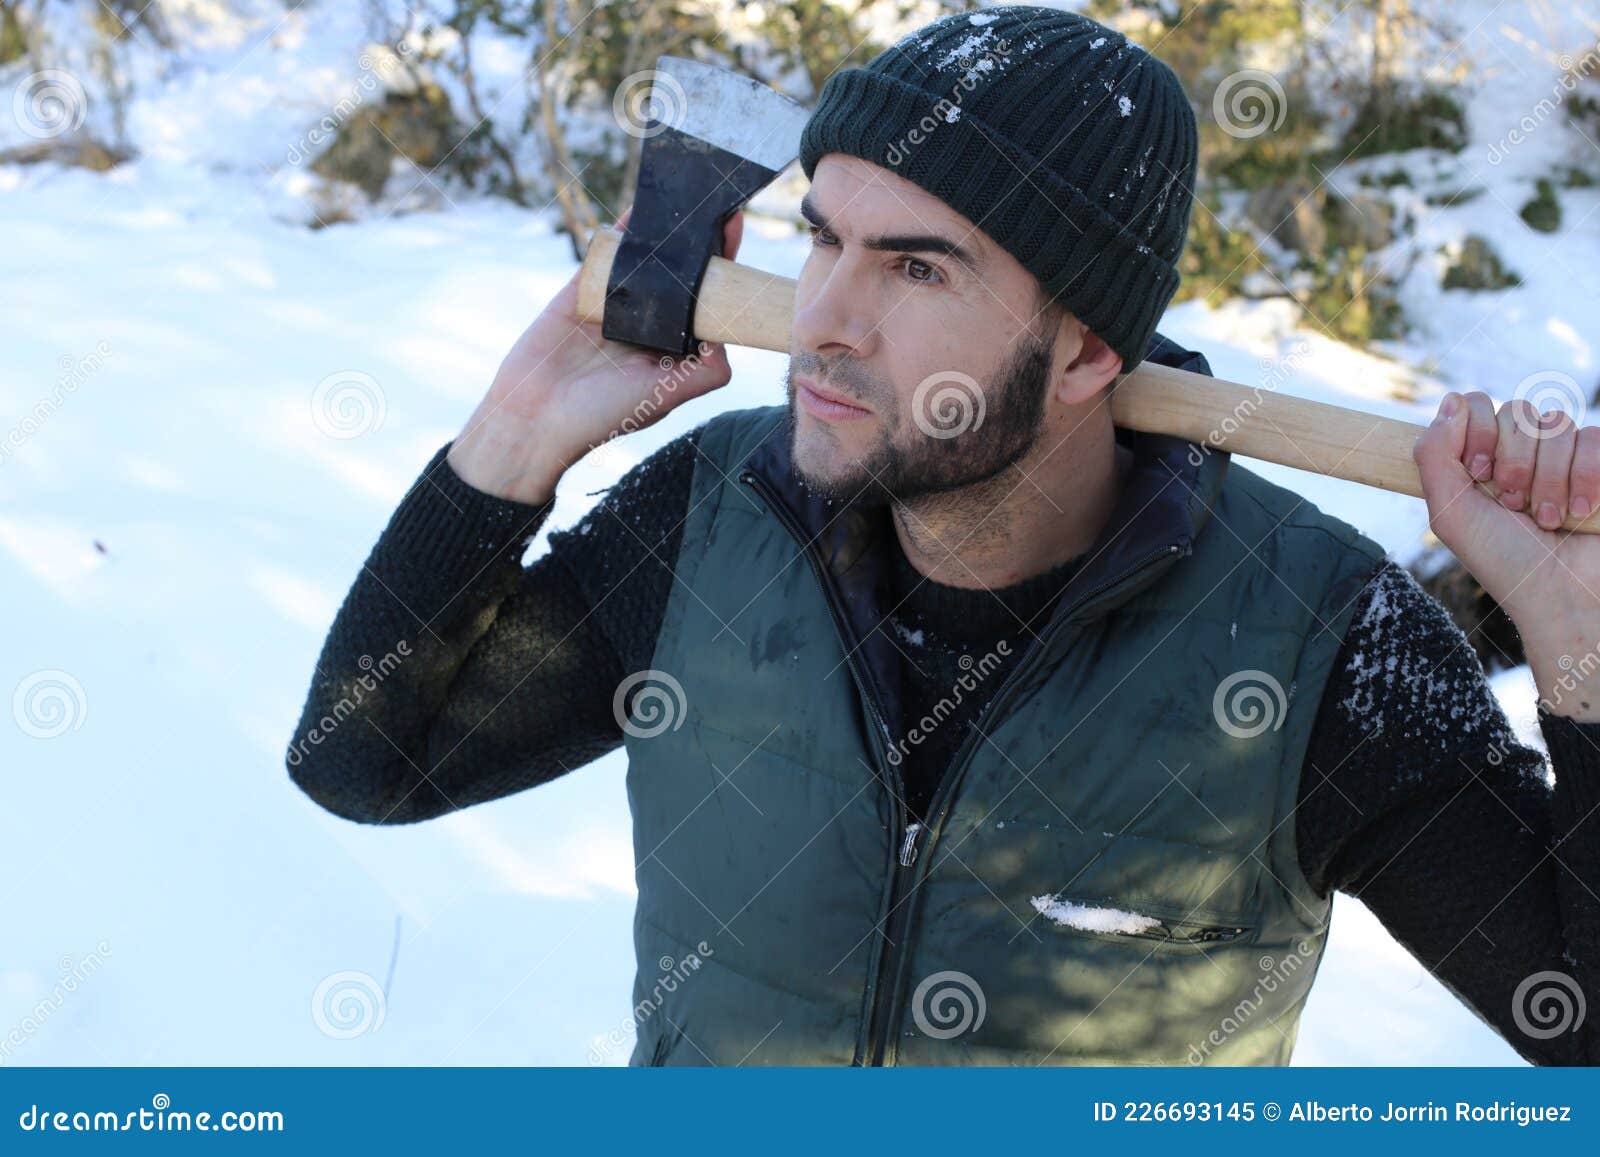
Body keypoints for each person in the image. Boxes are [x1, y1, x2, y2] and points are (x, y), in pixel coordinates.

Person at [288, 6, 1599, 1065]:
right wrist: (513, 436)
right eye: (825, 242)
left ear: (1085, 351)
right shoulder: (715, 514)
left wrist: (1580, 646)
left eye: (917, 269)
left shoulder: (1320, 635)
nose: (823, 321)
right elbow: (366, 761)